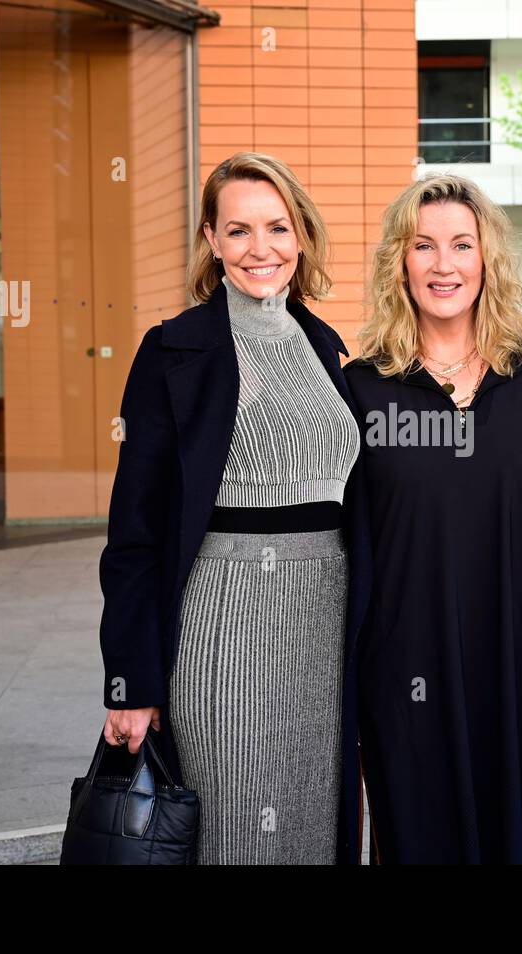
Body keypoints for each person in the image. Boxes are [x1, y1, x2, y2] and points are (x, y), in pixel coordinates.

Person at [98, 152, 372, 864]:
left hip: (324, 624)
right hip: (223, 623)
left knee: (315, 828)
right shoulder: (171, 350)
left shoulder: (324, 345)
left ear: (302, 236)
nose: (262, 249)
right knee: (233, 832)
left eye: (278, 228)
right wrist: (130, 681)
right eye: (239, 230)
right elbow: (133, 532)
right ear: (212, 240)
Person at [344, 173, 522, 863]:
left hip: (520, 663)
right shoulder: (361, 388)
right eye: (424, 245)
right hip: (405, 672)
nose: (444, 264)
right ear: (399, 264)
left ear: (487, 259)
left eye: (461, 245)